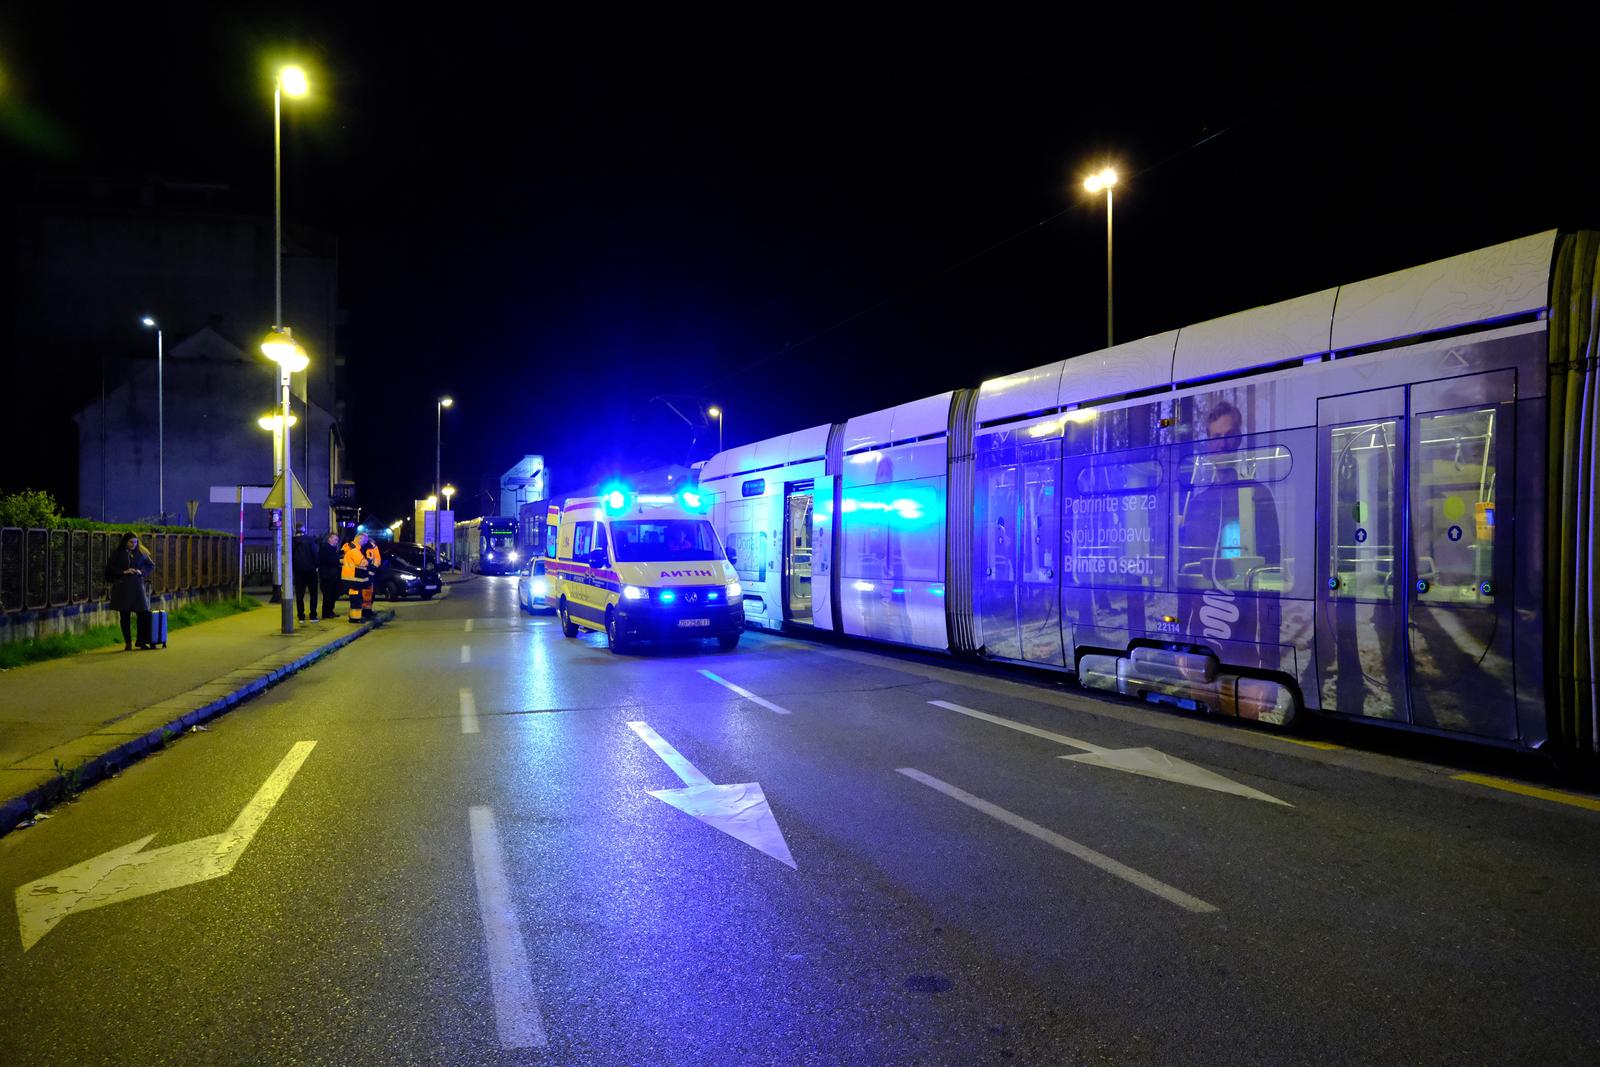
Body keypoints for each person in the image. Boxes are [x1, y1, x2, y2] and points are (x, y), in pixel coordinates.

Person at [103, 532, 156, 651]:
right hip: (123, 588)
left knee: (143, 613)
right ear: (125, 542)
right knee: (124, 615)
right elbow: (110, 569)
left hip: (137, 587)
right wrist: (124, 572)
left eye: (136, 542)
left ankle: (141, 641)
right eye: (131, 542)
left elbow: (151, 565)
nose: (134, 544)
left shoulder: (142, 552)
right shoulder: (118, 553)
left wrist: (141, 571)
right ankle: (128, 643)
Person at [292, 525, 320, 622]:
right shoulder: (310, 540)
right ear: (304, 530)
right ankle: (313, 615)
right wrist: (317, 566)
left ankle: (301, 616)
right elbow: (315, 553)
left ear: (296, 530)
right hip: (311, 571)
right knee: (313, 594)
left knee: (299, 595)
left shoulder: (292, 540)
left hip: (299, 571)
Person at [317, 531, 344, 619]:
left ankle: (330, 611)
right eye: (335, 539)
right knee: (328, 595)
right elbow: (327, 560)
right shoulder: (325, 548)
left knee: (333, 594)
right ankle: (326, 613)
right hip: (327, 576)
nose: (337, 541)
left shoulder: (333, 548)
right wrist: (339, 561)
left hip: (332, 575)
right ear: (330, 539)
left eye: (337, 539)